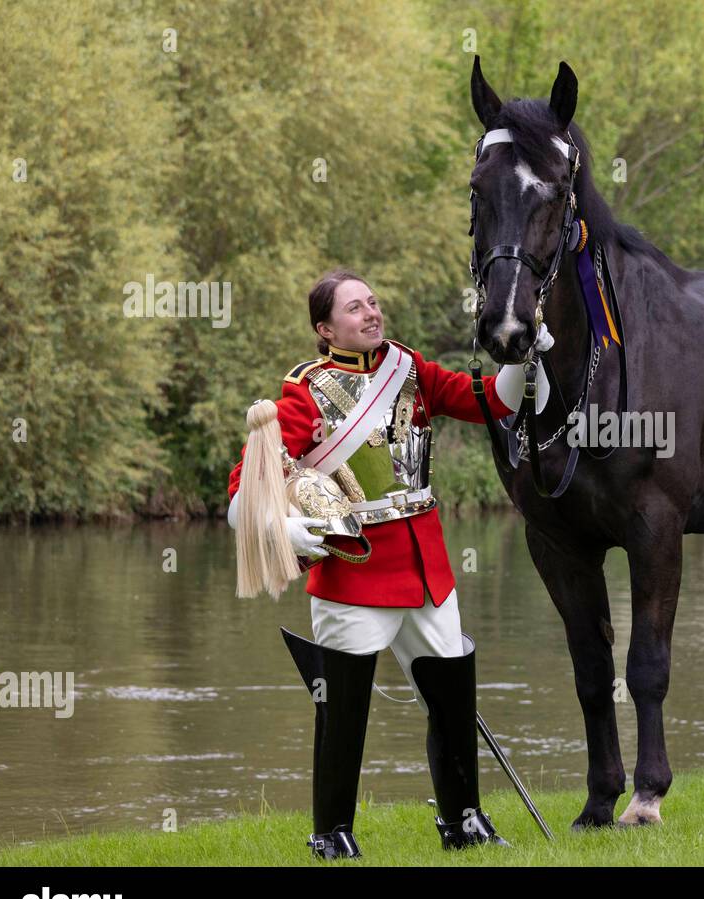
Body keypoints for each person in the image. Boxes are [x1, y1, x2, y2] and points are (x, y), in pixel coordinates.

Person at [226, 268, 548, 858]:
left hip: (427, 565)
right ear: (326, 329)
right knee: (343, 712)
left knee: (454, 701)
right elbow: (246, 491)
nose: (371, 313)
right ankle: (332, 835)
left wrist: (523, 355)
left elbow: (490, 403)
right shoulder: (304, 392)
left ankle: (463, 823)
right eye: (354, 309)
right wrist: (287, 528)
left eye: (373, 302)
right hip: (355, 569)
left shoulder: (410, 367)